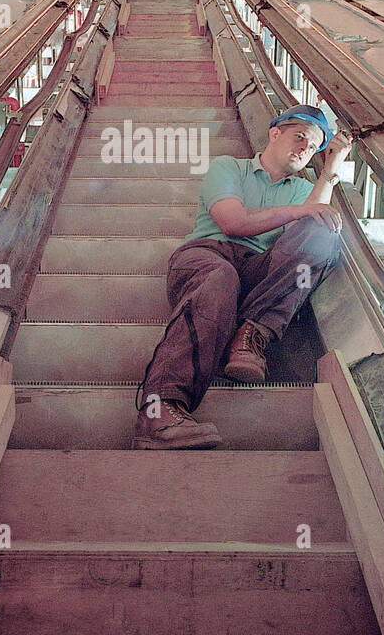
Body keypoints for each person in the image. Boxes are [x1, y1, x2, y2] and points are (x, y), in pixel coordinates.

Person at [133, 106, 354, 449]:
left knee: (324, 232)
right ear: (275, 133)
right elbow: (232, 221)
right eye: (300, 138)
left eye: (312, 148)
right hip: (207, 255)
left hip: (256, 271)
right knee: (220, 279)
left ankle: (251, 336)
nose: (304, 150)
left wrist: (329, 171)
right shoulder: (229, 167)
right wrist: (302, 209)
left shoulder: (300, 191)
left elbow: (304, 241)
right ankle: (158, 412)